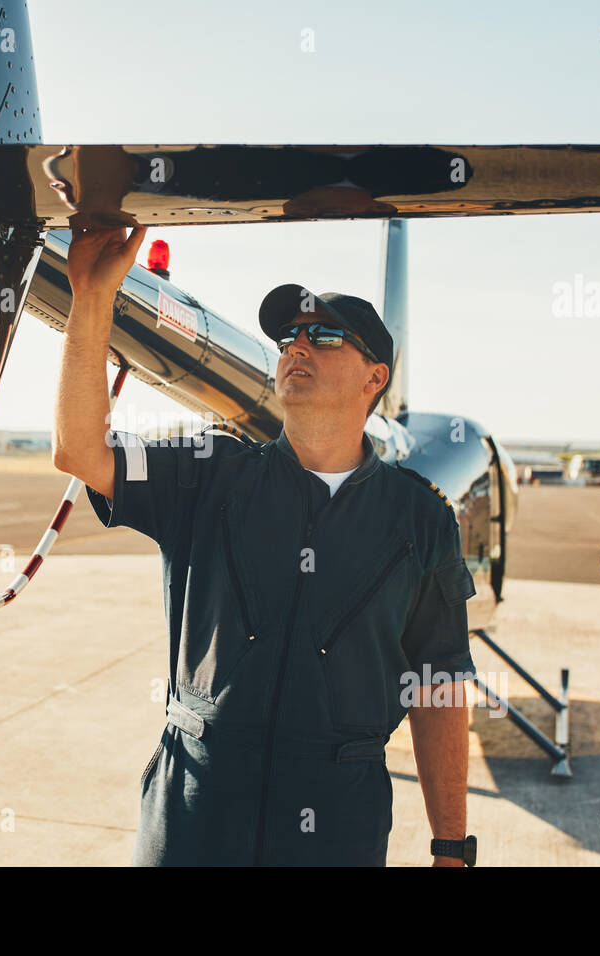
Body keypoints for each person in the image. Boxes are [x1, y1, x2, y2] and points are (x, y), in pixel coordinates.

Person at [52, 222, 477, 866]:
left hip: (335, 824)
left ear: (374, 377)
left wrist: (452, 848)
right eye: (288, 337)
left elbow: (439, 684)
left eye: (323, 335)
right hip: (194, 813)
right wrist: (90, 297)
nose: (296, 346)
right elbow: (81, 450)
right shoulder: (210, 473)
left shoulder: (420, 520)